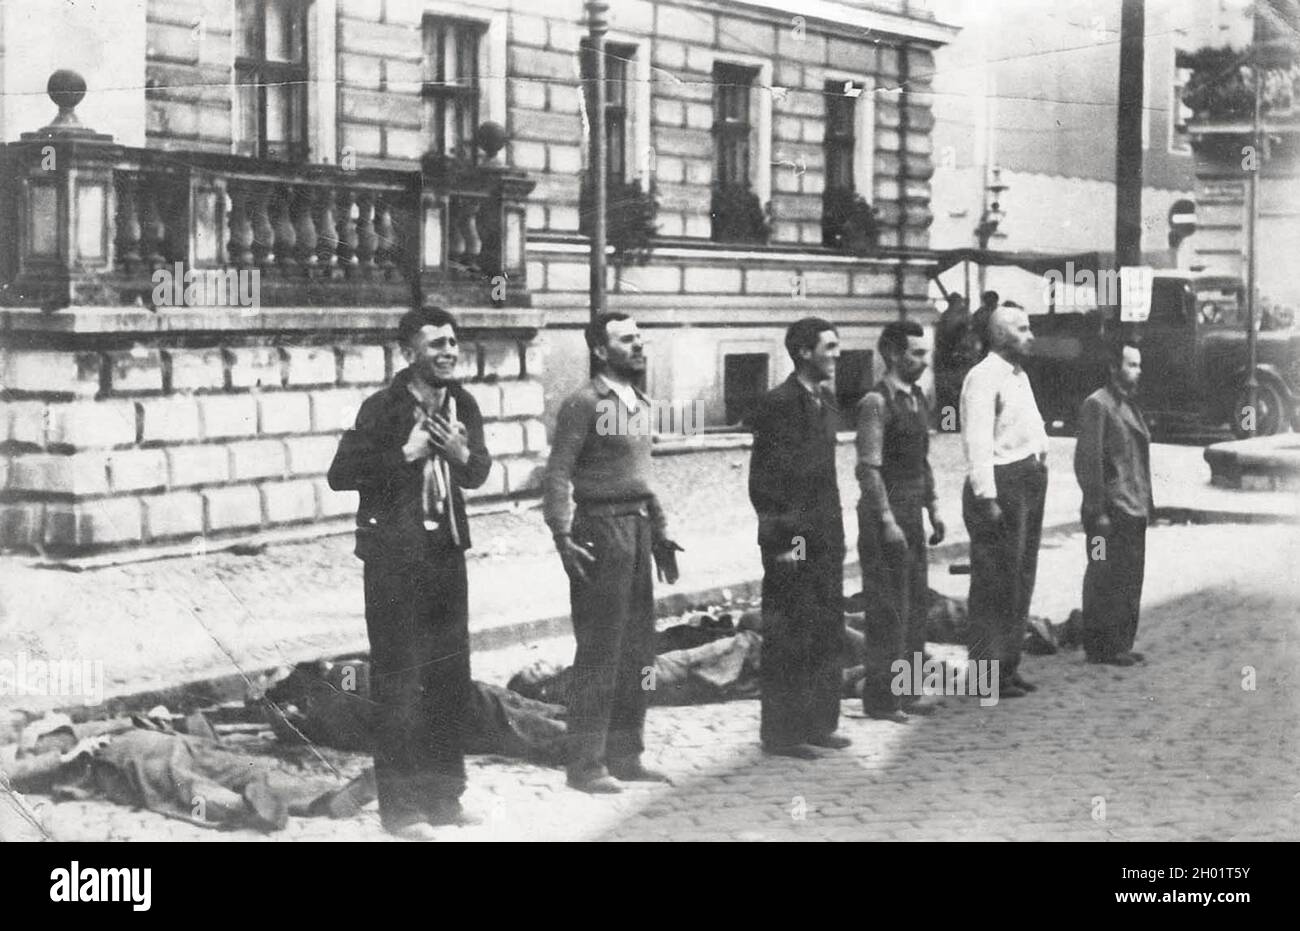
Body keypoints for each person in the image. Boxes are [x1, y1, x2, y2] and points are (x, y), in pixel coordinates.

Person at [327, 306, 492, 840]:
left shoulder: (462, 402)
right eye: (436, 344)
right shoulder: (383, 408)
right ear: (408, 354)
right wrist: (407, 451)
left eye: (452, 342)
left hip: (445, 554)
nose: (448, 351)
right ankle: (401, 810)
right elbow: (341, 474)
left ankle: (445, 798)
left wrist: (461, 451)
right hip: (395, 562)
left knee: (449, 678)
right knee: (400, 682)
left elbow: (478, 470)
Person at [542, 312, 683, 794]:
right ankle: (586, 765)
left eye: (640, 338)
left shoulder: (640, 402)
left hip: (639, 531)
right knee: (601, 650)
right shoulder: (585, 403)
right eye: (627, 340)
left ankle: (627, 754)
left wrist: (661, 531)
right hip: (599, 532)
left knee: (639, 651)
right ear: (601, 351)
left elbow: (641, 477)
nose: (639, 346)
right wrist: (563, 536)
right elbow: (558, 473)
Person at [748, 317, 851, 758]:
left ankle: (819, 723)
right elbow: (764, 482)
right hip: (792, 541)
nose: (837, 353)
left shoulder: (823, 401)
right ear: (805, 352)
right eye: (829, 346)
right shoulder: (778, 404)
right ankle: (783, 734)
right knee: (790, 634)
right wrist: (781, 542)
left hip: (825, 535)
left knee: (826, 628)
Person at [856, 321, 946, 722]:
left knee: (913, 608)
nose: (924, 362)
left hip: (912, 512)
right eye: (916, 354)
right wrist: (888, 520)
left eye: (926, 354)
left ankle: (908, 693)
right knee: (887, 609)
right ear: (893, 354)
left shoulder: (917, 399)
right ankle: (881, 699)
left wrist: (935, 507)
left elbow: (921, 460)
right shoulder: (876, 402)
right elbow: (868, 470)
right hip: (884, 516)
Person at [959, 305, 1048, 699]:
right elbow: (977, 441)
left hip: (1028, 480)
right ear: (999, 336)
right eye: (1023, 329)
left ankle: (1007, 667)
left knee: (1019, 579)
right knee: (994, 582)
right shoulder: (981, 378)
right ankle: (985, 674)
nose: (1031, 336)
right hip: (1002, 484)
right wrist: (987, 497)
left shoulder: (1019, 375)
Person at [1074, 339, 1152, 667]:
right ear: (1113, 368)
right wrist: (1097, 509)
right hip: (1109, 510)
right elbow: (1087, 461)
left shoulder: (1129, 405)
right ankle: (1099, 646)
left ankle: (1121, 642)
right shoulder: (1098, 404)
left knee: (1130, 577)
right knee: (1103, 576)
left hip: (1133, 506)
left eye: (1139, 365)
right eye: (1131, 364)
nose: (1137, 371)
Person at [969, 290, 1000, 359]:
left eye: (991, 299)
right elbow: (973, 324)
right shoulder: (980, 311)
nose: (988, 301)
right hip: (984, 342)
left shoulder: (1001, 311)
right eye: (987, 299)